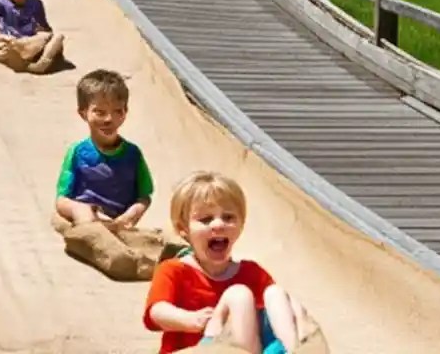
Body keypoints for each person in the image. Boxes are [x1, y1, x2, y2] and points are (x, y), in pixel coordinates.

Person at [142, 171, 320, 354]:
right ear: (183, 229)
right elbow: (157, 312)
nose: (218, 225)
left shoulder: (252, 272)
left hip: (253, 346)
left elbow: (276, 312)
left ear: (240, 224)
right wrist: (190, 319)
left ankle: (294, 350)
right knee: (239, 295)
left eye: (228, 217)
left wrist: (299, 318)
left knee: (276, 294)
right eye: (206, 219)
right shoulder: (174, 270)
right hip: (201, 349)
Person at [54, 69, 152, 228]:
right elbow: (61, 200)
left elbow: (144, 196)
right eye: (100, 112)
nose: (109, 119)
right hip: (85, 220)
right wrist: (80, 211)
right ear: (83, 113)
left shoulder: (133, 155)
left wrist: (132, 214)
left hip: (119, 223)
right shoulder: (78, 153)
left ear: (125, 112)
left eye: (117, 112)